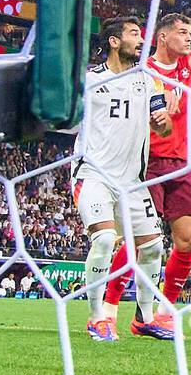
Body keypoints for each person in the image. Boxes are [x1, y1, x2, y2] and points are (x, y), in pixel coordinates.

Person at [102, 13, 191, 330]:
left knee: (187, 241)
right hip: (147, 162)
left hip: (181, 164)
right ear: (162, 37)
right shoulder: (141, 71)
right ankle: (107, 312)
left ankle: (159, 313)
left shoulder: (188, 64)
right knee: (139, 244)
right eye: (182, 32)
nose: (189, 37)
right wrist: (156, 112)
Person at [72, 17, 173, 342]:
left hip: (132, 182)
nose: (141, 40)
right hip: (94, 175)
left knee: (154, 248)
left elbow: (164, 129)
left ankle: (144, 318)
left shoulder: (148, 81)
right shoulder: (89, 81)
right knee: (103, 240)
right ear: (114, 41)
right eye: (134, 34)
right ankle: (96, 317)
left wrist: (163, 121)